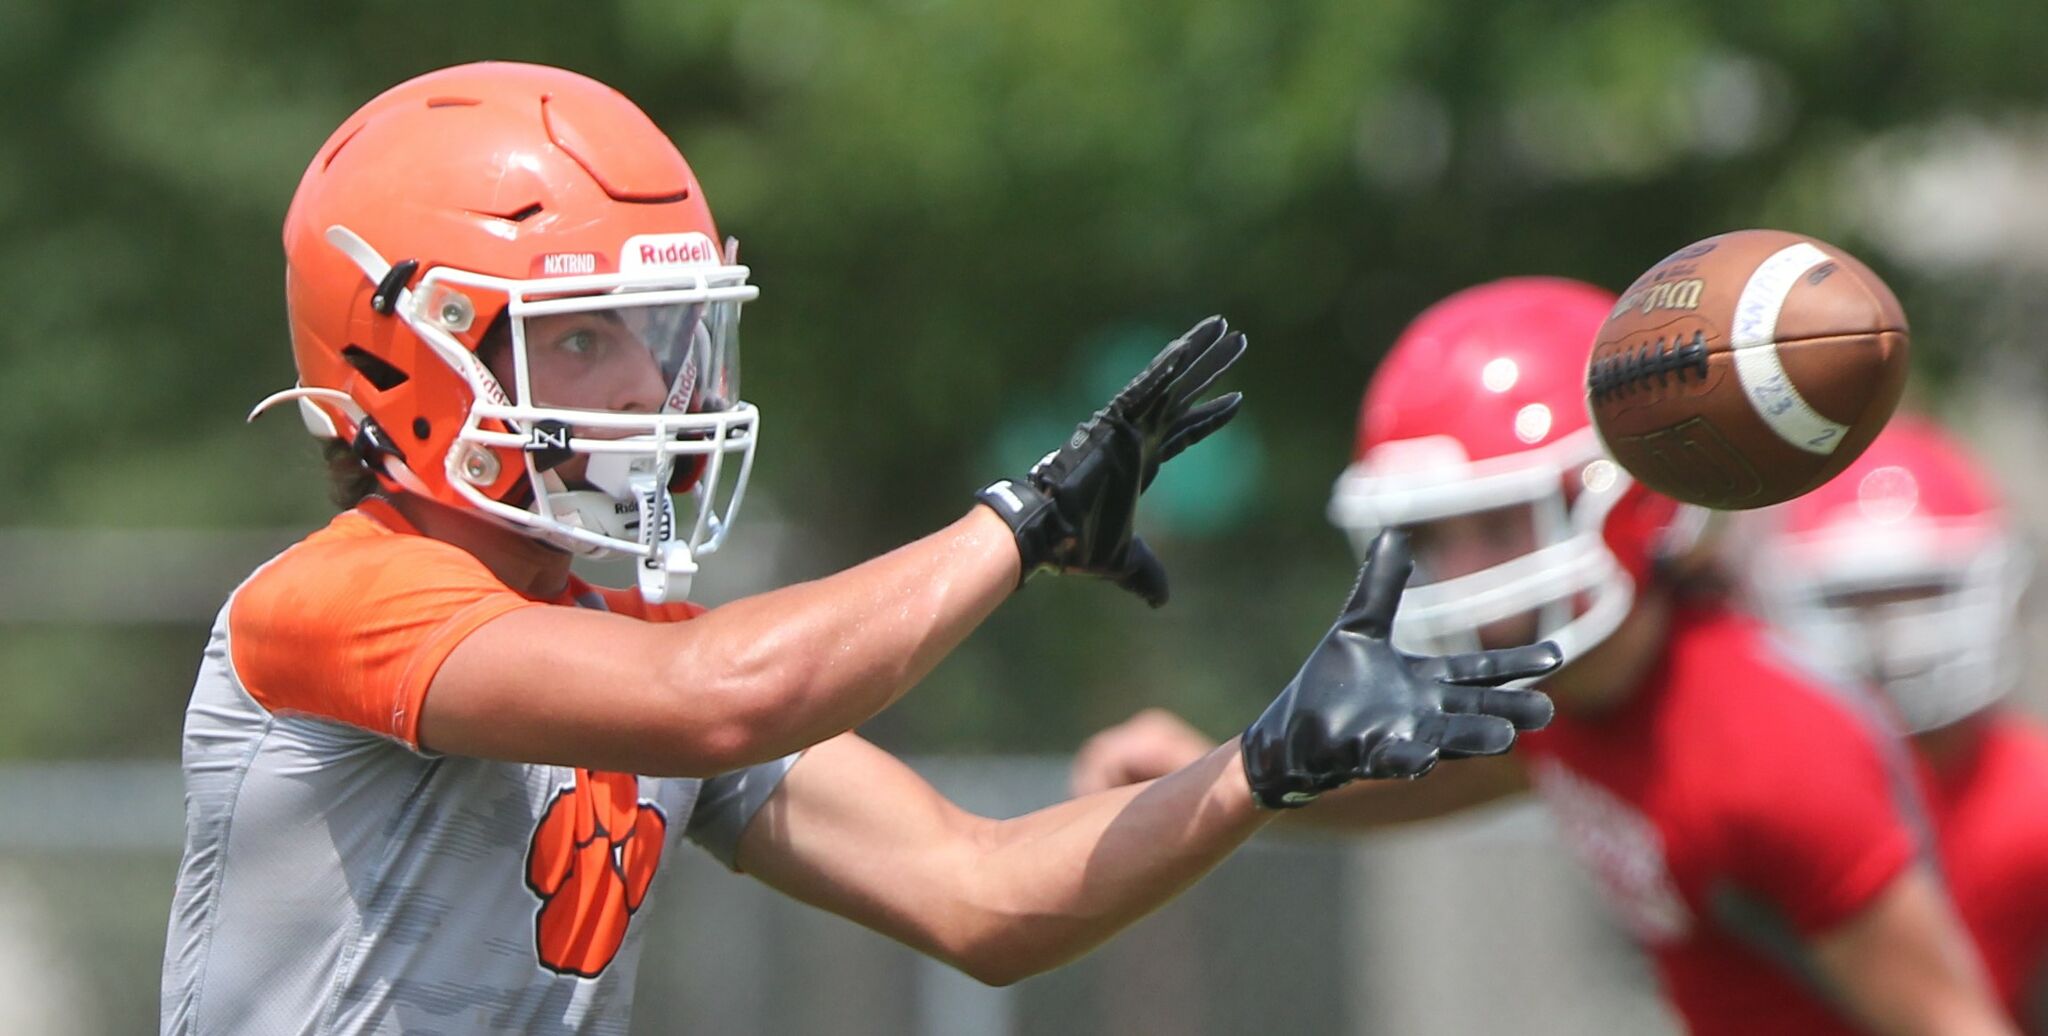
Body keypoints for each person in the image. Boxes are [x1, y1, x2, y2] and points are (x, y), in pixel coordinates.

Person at [160, 62, 1557, 1035]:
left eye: (657, 337)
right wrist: (1023, 522)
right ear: (402, 353)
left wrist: (1258, 766)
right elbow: (731, 697)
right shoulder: (334, 603)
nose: (650, 390)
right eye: (580, 336)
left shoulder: (636, 647)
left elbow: (981, 895)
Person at [1070, 277, 2015, 1035]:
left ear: (1621, 496)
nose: (1460, 570)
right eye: (1434, 535)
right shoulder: (1574, 691)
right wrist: (1225, 772)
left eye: (1498, 522)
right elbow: (1437, 783)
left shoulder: (1765, 751)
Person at [1746, 413, 2048, 1031]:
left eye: (1916, 593)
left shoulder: (2032, 802)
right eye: (1857, 601)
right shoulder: (1754, 791)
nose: (1892, 637)